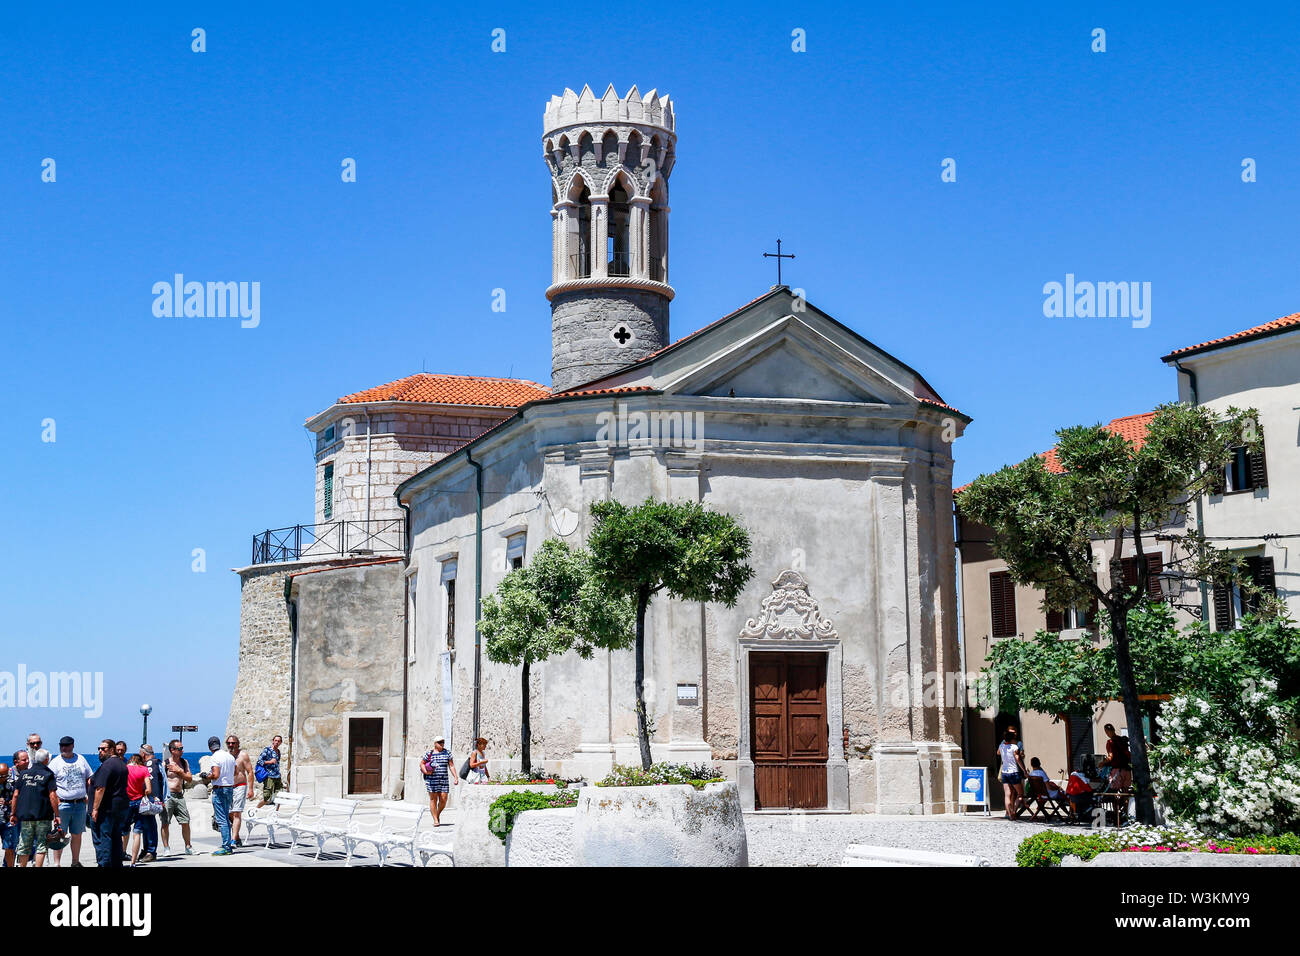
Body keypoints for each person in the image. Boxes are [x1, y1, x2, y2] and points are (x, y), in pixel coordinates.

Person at [10, 748, 60, 867]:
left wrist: (13, 814)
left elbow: (15, 795)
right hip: (43, 815)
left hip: (26, 816)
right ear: (47, 759)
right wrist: (57, 815)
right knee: (41, 845)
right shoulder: (48, 774)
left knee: (24, 844)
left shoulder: (23, 774)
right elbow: (52, 796)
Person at [49, 736, 94, 867]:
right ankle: (57, 863)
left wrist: (89, 797)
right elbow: (50, 784)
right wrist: (55, 801)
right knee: (59, 834)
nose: (64, 748)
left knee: (77, 834)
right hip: (62, 804)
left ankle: (75, 861)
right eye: (62, 745)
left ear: (73, 745)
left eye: (67, 745)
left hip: (79, 803)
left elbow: (89, 778)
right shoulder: (55, 762)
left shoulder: (81, 759)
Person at [89, 739, 130, 867]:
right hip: (119, 808)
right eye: (99, 749)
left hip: (106, 809)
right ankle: (117, 863)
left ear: (111, 750)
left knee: (103, 838)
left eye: (103, 749)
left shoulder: (107, 765)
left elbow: (100, 788)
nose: (100, 751)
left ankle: (104, 864)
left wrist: (95, 809)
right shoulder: (121, 764)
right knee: (116, 837)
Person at [200, 735, 237, 856]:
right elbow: (235, 772)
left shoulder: (215, 757)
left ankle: (226, 846)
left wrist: (206, 776)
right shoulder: (229, 756)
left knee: (222, 819)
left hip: (220, 789)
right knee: (226, 817)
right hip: (229, 788)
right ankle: (228, 843)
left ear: (210, 747)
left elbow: (215, 775)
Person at [163, 740, 193, 854]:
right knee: (165, 822)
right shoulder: (165, 763)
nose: (182, 751)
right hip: (168, 796)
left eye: (182, 748)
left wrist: (179, 771)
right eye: (179, 749)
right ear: (172, 750)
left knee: (185, 821)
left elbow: (189, 779)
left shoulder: (184, 762)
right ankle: (166, 848)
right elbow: (161, 781)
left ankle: (188, 847)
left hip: (180, 796)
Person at [125, 753, 156, 865]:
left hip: (126, 802)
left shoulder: (125, 768)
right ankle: (133, 862)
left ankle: (121, 854)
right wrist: (143, 793)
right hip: (139, 803)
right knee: (137, 833)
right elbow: (148, 789)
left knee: (123, 831)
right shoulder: (144, 769)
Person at [420, 736, 458, 826]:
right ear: (435, 743)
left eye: (443, 742)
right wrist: (426, 771)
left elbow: (451, 766)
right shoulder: (429, 753)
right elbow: (422, 763)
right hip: (431, 780)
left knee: (444, 799)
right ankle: (435, 820)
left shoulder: (447, 753)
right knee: (433, 799)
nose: (442, 744)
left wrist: (456, 777)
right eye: (440, 742)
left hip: (444, 780)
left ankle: (437, 814)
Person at [227, 735, 255, 847]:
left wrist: (251, 789)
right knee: (229, 813)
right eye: (228, 743)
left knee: (237, 812)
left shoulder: (243, 755)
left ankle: (233, 840)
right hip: (228, 787)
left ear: (238, 744)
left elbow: (250, 772)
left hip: (240, 786)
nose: (231, 745)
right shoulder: (227, 756)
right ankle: (237, 837)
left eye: (233, 743)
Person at [996, 726, 1027, 819]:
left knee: (1007, 795)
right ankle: (1013, 811)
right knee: (1020, 794)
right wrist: (1024, 770)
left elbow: (998, 753)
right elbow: (1018, 759)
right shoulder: (1015, 747)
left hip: (1004, 772)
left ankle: (1009, 814)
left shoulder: (1001, 746)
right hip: (1014, 772)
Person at [1100, 724, 1133, 791]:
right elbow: (1127, 753)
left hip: (1117, 771)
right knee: (1126, 792)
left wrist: (1101, 763)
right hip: (1127, 770)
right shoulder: (1123, 740)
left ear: (1106, 731)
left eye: (1106, 731)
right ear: (1114, 730)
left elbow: (1110, 757)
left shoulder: (1110, 742)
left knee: (1115, 793)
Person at [256, 735, 284, 808]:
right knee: (267, 797)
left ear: (281, 742)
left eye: (279, 741)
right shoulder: (267, 750)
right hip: (269, 776)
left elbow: (277, 764)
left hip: (277, 776)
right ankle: (255, 810)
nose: (277, 742)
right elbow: (259, 761)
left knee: (279, 797)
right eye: (276, 740)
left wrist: (279, 773)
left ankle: (276, 814)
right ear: (273, 741)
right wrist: (270, 762)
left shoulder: (278, 752)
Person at [0, 762, 17, 867]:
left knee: (9, 847)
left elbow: (16, 800)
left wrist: (7, 802)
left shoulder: (11, 784)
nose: (3, 777)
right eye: (1, 776)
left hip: (7, 820)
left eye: (5, 775)